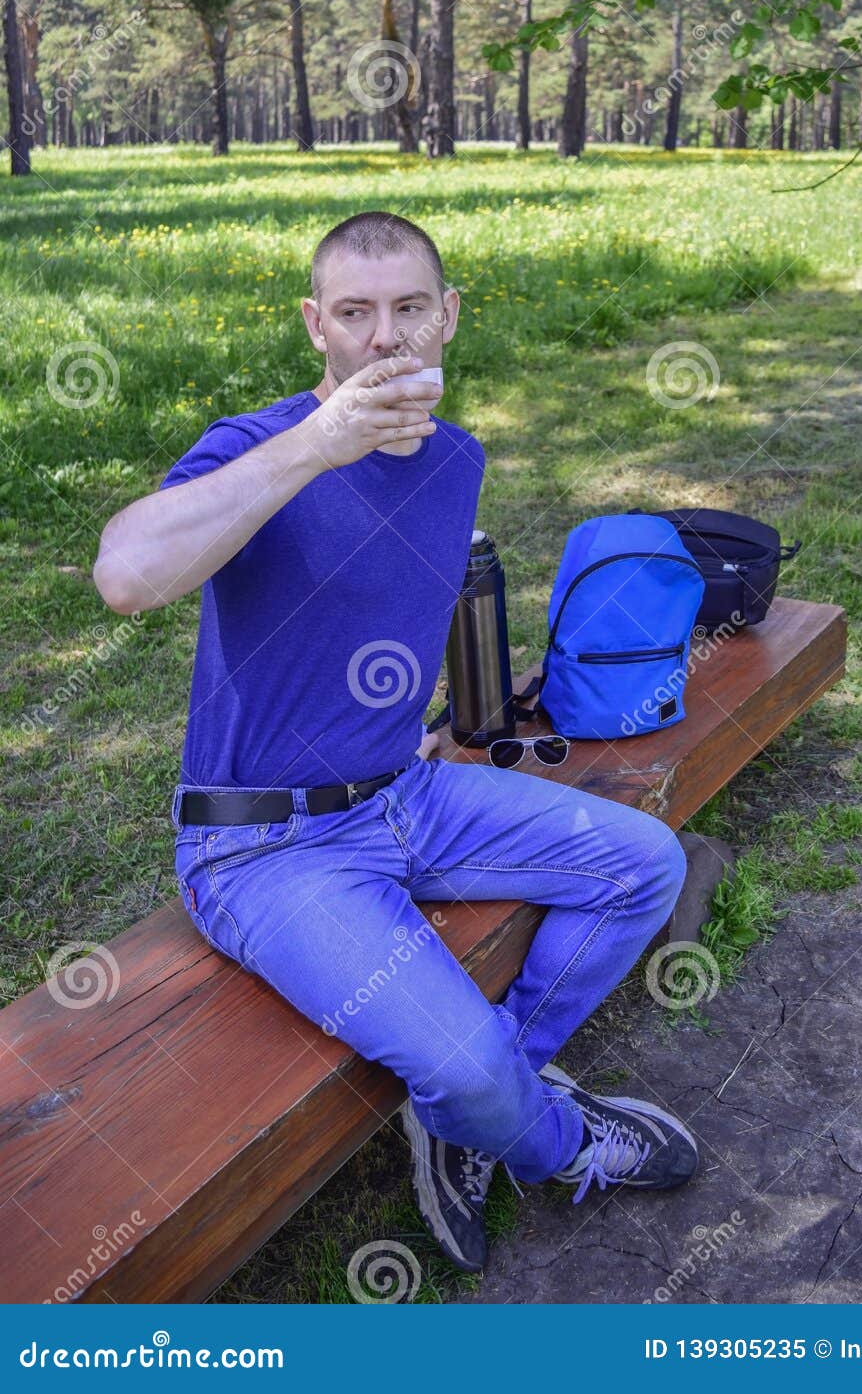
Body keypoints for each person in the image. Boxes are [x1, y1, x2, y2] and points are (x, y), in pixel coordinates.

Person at [92, 210, 697, 1275]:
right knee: (466, 1068)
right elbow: (128, 575)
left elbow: (377, 607)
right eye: (356, 314)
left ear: (448, 319)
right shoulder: (259, 445)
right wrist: (316, 446)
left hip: (401, 794)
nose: (385, 338)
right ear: (314, 327)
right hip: (262, 848)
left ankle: (484, 1102)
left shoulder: (454, 460)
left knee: (644, 862)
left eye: (410, 308)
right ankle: (549, 1141)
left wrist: (398, 724)